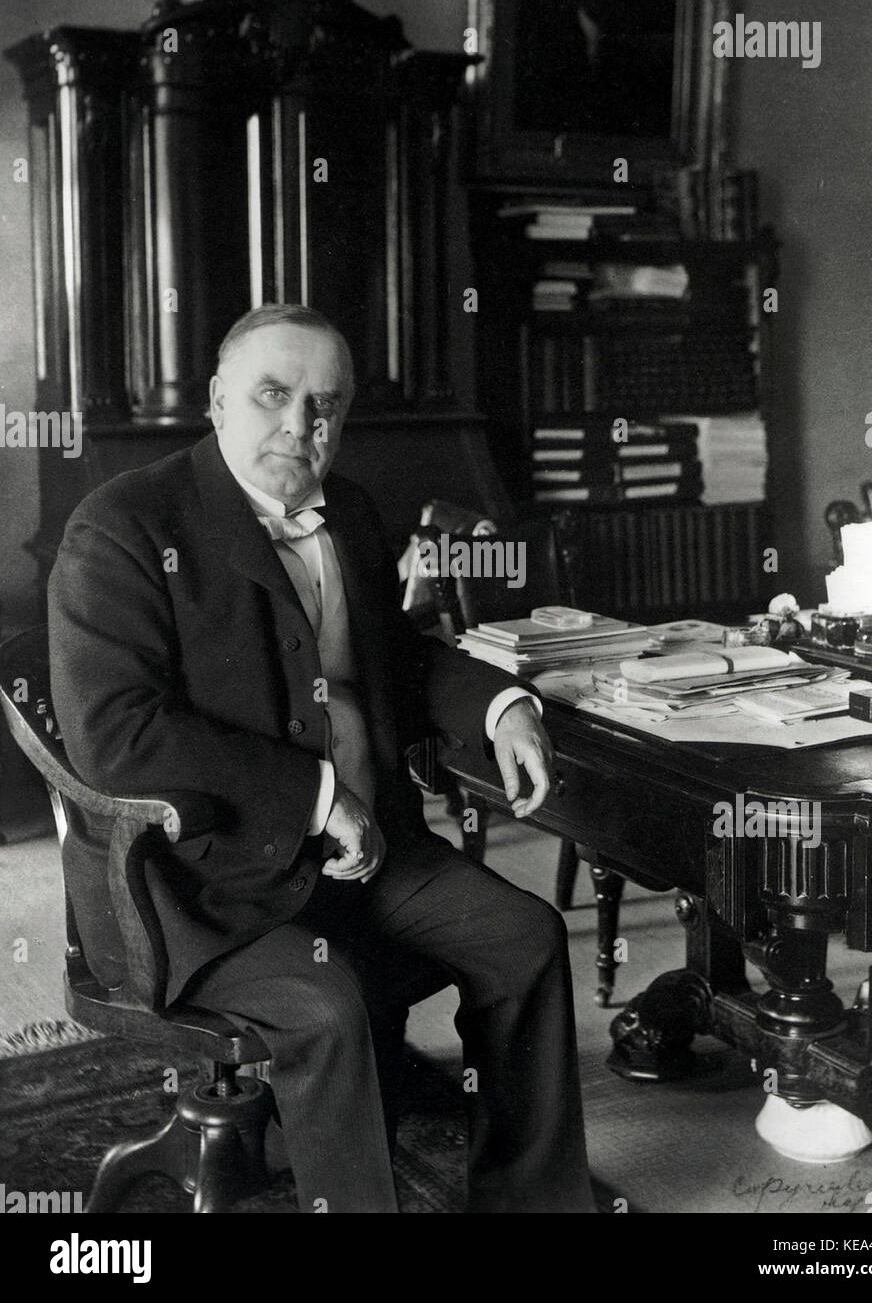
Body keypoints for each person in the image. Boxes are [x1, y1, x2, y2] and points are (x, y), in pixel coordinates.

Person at [48, 303, 595, 1214]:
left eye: (325, 405)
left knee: (524, 938)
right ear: (219, 401)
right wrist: (314, 796)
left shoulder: (350, 514)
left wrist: (502, 707)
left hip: (369, 855)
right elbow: (118, 733)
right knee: (330, 1008)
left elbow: (402, 656)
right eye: (274, 395)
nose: (301, 425)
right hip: (197, 884)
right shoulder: (122, 524)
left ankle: (532, 1203)